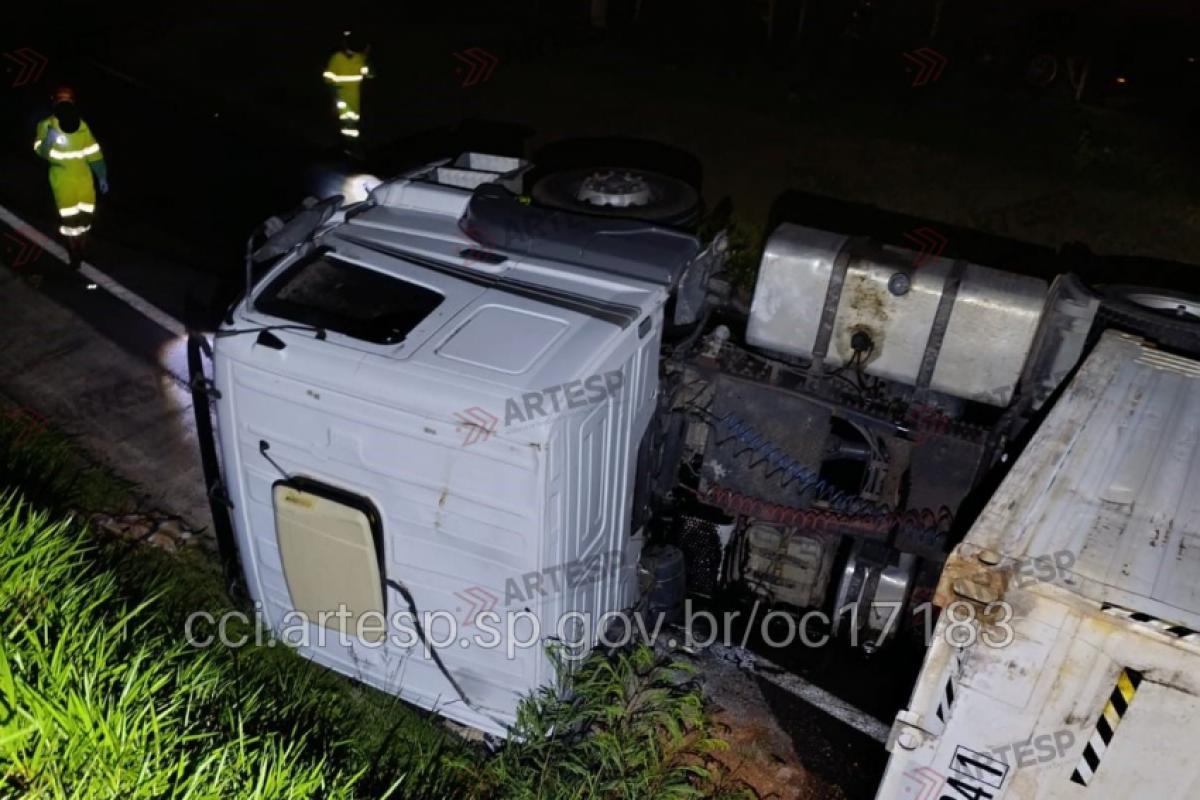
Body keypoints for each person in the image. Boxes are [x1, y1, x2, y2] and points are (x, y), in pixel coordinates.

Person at [33, 86, 108, 268]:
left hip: (84, 180)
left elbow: (93, 153)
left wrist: (102, 175)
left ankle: (80, 247)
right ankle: (74, 251)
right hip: (63, 180)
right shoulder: (46, 125)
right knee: (69, 220)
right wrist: (48, 141)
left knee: (85, 218)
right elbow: (41, 152)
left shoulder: (82, 126)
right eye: (62, 102)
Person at [323, 31, 371, 146]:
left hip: (354, 98)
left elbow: (367, 74)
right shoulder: (337, 58)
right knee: (345, 123)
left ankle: (350, 145)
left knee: (352, 123)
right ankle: (347, 145)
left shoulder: (359, 58)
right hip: (341, 97)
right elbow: (328, 79)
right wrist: (334, 98)